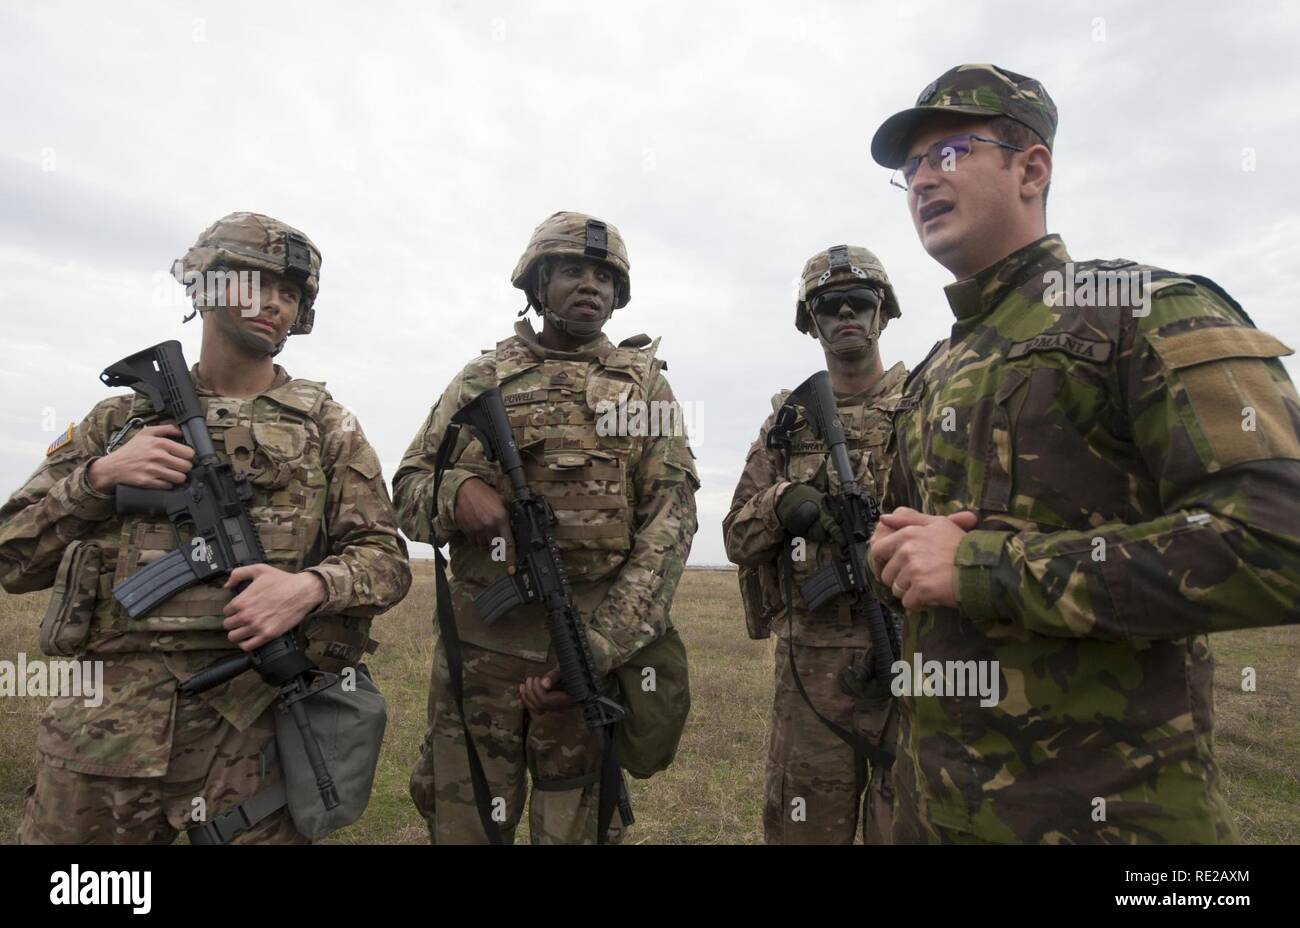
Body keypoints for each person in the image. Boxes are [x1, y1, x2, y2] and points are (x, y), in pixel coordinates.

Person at [865, 64, 1300, 843]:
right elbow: (924, 554)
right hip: (933, 811)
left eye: (953, 152)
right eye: (912, 169)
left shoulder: (1140, 310)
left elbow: (1279, 541)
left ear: (1032, 169)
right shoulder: (936, 369)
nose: (925, 179)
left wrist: (984, 570)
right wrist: (895, 553)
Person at [0, 212, 411, 844]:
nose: (276, 302)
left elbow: (385, 557)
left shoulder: (329, 426)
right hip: (102, 741)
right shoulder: (117, 420)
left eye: (291, 293)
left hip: (250, 738)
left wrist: (308, 589)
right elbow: (11, 557)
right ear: (209, 286)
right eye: (257, 283)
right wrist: (99, 480)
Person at [393, 211, 699, 844]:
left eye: (603, 277)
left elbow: (671, 523)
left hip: (584, 651)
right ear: (537, 284)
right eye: (571, 272)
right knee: (467, 822)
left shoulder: (641, 386)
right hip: (481, 654)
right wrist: (459, 493)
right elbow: (405, 492)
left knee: (576, 826)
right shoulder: (482, 379)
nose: (590, 286)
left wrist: (601, 648)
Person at [724, 245, 905, 844]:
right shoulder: (788, 423)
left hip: (911, 652)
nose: (846, 314)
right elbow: (735, 538)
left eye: (861, 301)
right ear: (812, 322)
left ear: (883, 313)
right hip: (812, 665)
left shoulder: (927, 408)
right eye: (830, 306)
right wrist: (781, 503)